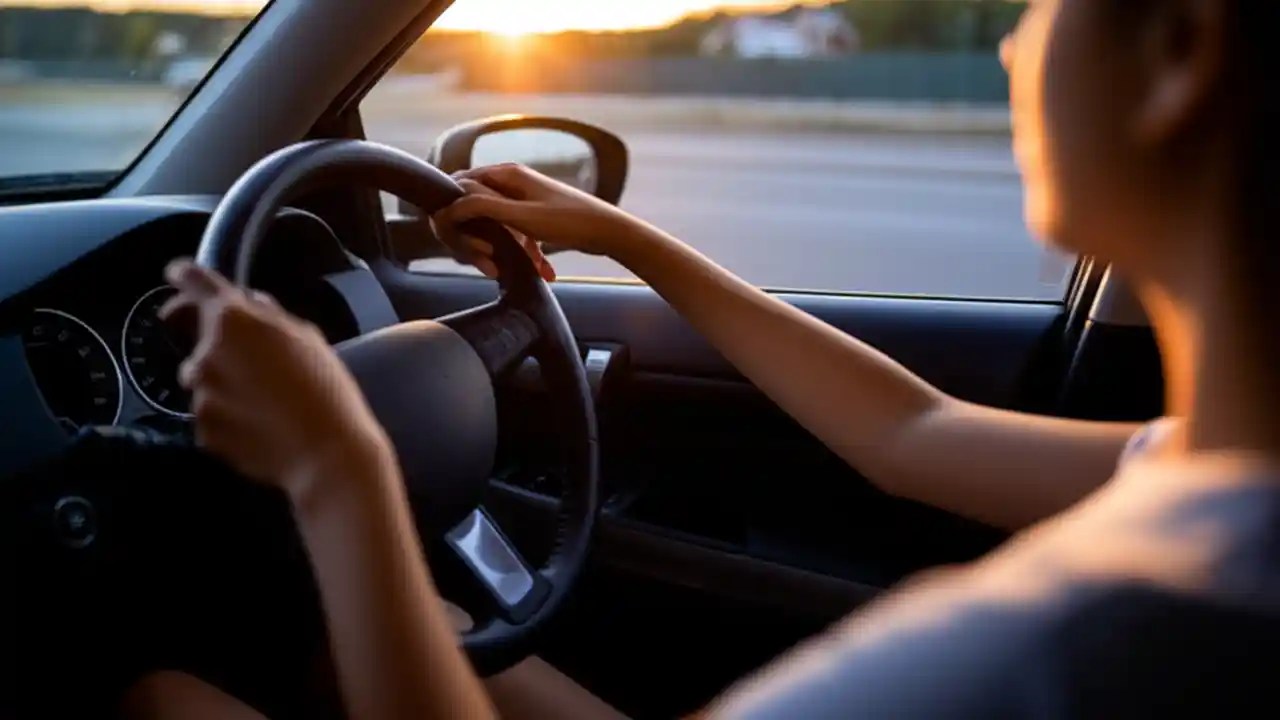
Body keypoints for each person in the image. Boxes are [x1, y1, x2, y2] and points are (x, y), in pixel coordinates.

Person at [137, 0, 1280, 716]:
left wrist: (341, 471)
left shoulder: (1053, 653)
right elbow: (909, 434)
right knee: (414, 638)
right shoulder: (1201, 489)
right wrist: (626, 240)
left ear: (1178, 46)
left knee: (158, 697)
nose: (1009, 37)